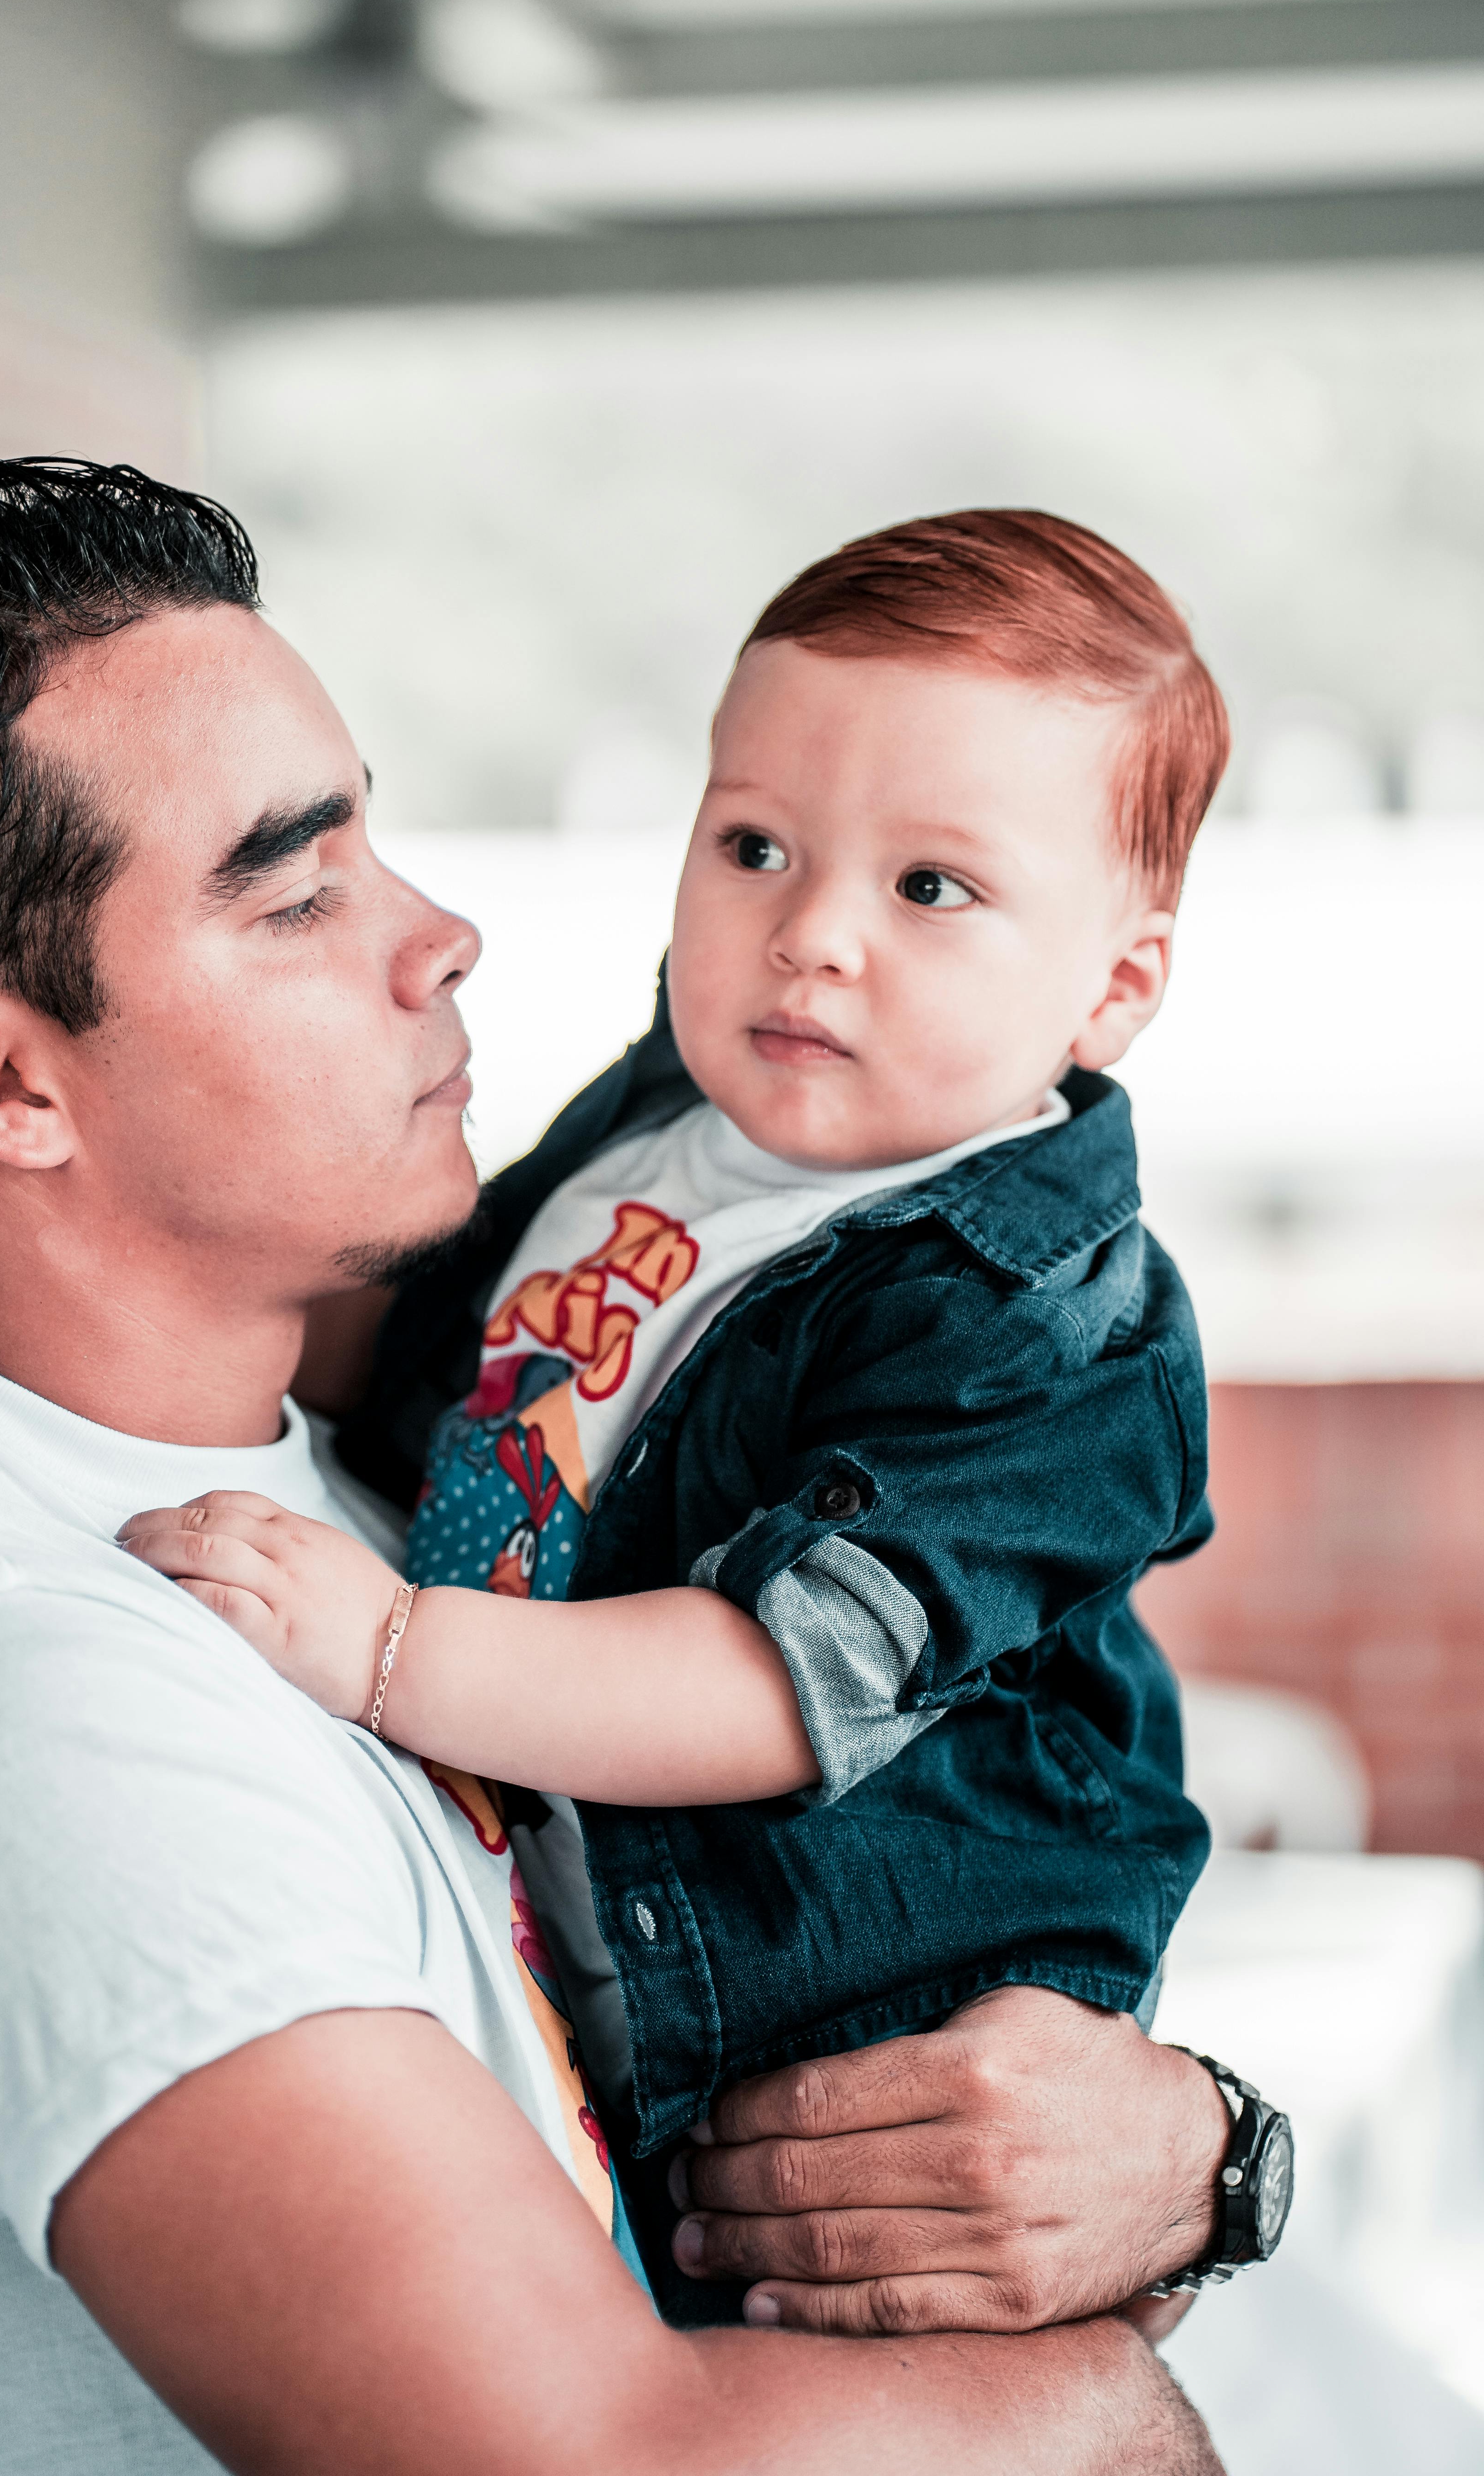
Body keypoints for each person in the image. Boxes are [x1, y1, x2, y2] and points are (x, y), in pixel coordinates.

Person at [0, 458, 1230, 2476]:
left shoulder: (385, 1468)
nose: (445, 936)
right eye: (299, 891)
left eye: (378, 844)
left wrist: (1184, 2161)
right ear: (3, 1077)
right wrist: (1115, 2389)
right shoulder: (28, 1712)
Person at [115, 511, 1253, 2314]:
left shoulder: (1039, 1318)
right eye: (754, 845)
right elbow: (448, 1348)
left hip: (840, 2075)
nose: (809, 938)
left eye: (929, 888)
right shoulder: (667, 1119)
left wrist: (403, 1650)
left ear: (1113, 986)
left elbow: (777, 1683)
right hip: (599, 1991)